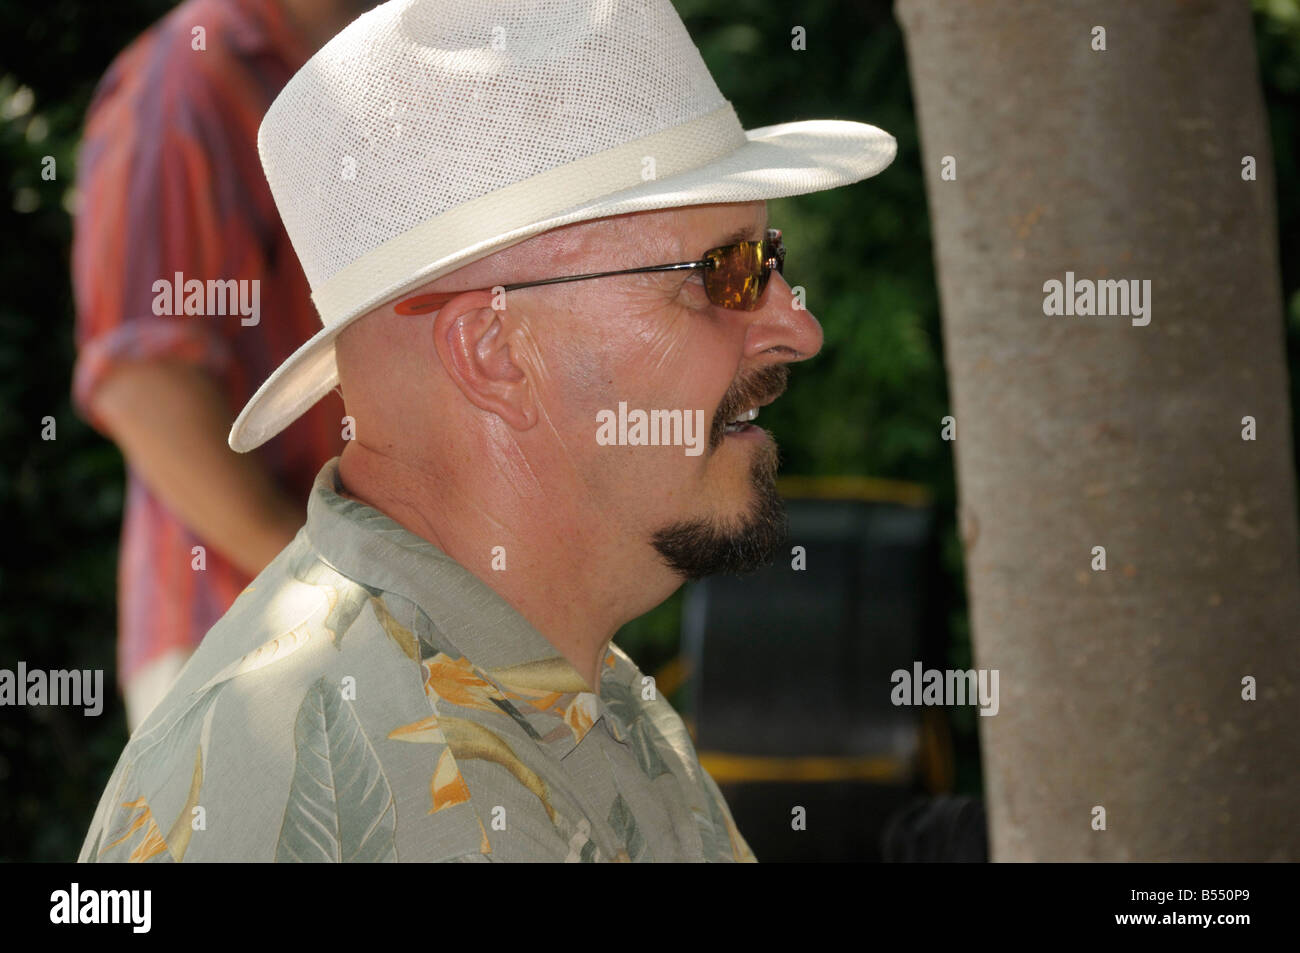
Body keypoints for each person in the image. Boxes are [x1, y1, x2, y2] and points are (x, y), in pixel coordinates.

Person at [79, 0, 895, 862]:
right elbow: (141, 379)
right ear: (496, 350)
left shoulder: (567, 689)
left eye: (769, 263)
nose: (795, 329)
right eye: (723, 274)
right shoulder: (396, 788)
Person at [71, 0, 378, 730]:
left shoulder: (396, 52)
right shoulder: (184, 82)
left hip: (367, 618)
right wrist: (329, 582)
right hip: (243, 641)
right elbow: (142, 383)